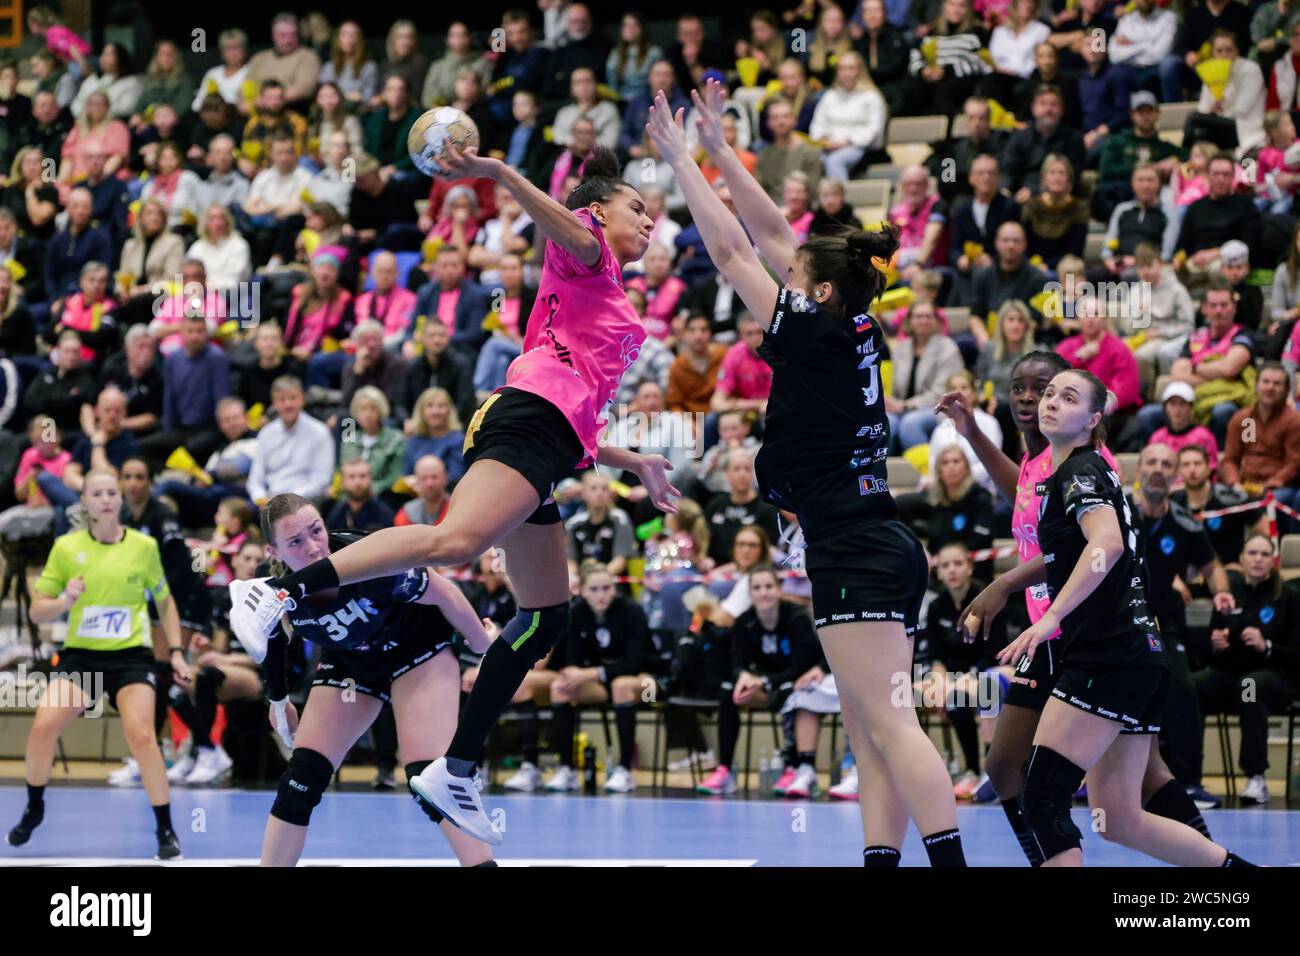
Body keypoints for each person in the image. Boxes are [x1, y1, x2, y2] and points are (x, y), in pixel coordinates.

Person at [228, 138, 674, 847]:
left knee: (545, 615)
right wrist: (496, 174)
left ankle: (456, 768)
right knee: (455, 544)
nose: (649, 222)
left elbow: (580, 409)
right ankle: (278, 593)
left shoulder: (607, 287)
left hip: (551, 442)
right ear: (596, 213)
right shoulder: (588, 248)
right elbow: (559, 225)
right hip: (528, 424)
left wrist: (634, 461)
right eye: (637, 209)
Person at [643, 80, 966, 865]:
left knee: (890, 725)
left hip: (856, 547)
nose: (781, 276)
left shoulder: (817, 329)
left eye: (792, 276)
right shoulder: (850, 317)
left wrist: (681, 159)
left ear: (813, 290)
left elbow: (728, 249)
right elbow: (777, 232)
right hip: (867, 540)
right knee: (866, 727)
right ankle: (881, 862)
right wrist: (722, 147)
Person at [936, 352, 1215, 863]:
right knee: (1112, 808)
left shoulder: (1082, 463)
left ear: (1093, 417)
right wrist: (973, 433)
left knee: (1049, 787)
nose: (1033, 397)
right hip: (1092, 633)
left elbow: (1100, 544)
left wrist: (1024, 598)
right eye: (1029, 389)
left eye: (1053, 389)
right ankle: (1226, 866)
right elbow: (1028, 501)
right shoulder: (1048, 462)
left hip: (1083, 631)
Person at [253, 494, 496, 867]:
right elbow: (272, 641)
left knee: (428, 780)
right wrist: (278, 701)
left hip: (417, 650)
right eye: (296, 542)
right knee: (300, 780)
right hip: (351, 664)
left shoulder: (365, 556)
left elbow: (444, 591)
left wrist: (483, 645)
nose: (315, 547)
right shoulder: (271, 588)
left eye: (316, 530)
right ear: (273, 549)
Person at [5, 469, 191, 859]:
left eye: (112, 492)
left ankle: (165, 828)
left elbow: (165, 601)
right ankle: (35, 807)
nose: (106, 499)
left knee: (141, 735)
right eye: (97, 493)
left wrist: (175, 651)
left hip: (130, 658)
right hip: (82, 658)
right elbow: (38, 612)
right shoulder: (66, 548)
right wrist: (64, 602)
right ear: (85, 503)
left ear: (120, 500)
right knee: (43, 725)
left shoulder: (143, 546)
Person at [1190, 533, 1300, 805]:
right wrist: (1215, 644)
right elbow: (1208, 652)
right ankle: (1188, 777)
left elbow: (1298, 655)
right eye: (1252, 553)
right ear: (1241, 559)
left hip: (1277, 678)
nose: (1258, 559)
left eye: (1264, 554)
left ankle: (1256, 777)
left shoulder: (1289, 597)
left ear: (1273, 561)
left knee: (1249, 686)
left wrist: (1268, 646)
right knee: (1191, 685)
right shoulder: (1229, 595)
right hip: (1231, 675)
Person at [537, 561, 654, 793]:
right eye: (594, 589)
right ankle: (566, 770)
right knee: (560, 688)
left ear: (614, 588)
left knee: (622, 686)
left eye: (606, 588)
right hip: (600, 681)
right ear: (582, 590)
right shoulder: (575, 612)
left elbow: (634, 662)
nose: (601, 595)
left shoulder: (631, 611)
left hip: (644, 678)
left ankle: (624, 771)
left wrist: (591, 673)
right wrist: (573, 672)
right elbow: (572, 657)